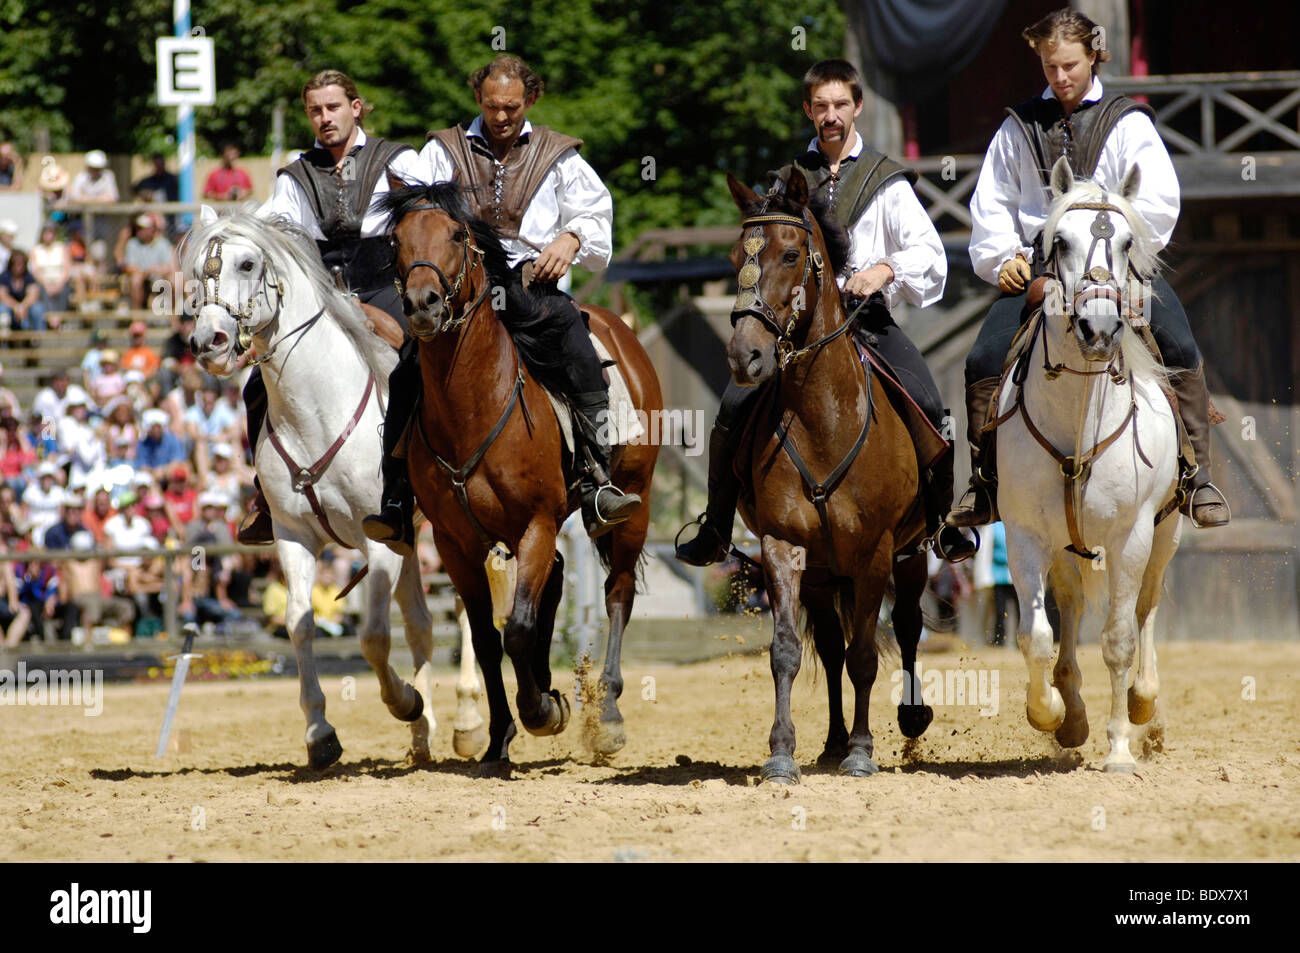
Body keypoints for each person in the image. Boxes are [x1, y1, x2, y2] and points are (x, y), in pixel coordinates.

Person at [676, 57, 973, 566]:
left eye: (840, 104)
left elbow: (930, 254)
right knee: (731, 406)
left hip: (868, 321)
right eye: (820, 106)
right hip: (793, 329)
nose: (830, 114)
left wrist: (883, 270)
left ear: (857, 106)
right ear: (809, 111)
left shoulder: (887, 180)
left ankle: (940, 526)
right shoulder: (784, 181)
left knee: (925, 397)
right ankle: (717, 527)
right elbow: (764, 252)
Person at [948, 7, 1229, 533]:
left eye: (1070, 65)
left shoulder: (1128, 121)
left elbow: (1159, 201)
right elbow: (992, 203)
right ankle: (984, 482)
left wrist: (1124, 262)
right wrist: (1004, 258)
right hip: (1041, 272)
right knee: (983, 356)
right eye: (1050, 67)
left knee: (1180, 343)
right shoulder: (1018, 127)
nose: (1060, 77)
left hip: (1120, 269)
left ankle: (1197, 476)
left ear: (1093, 56)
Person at [364, 53, 637, 553]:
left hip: (535, 290)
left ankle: (598, 480)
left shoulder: (560, 156)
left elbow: (598, 218)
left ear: (530, 100)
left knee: (579, 350)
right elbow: (404, 213)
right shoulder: (440, 151)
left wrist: (571, 239)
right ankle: (397, 498)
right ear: (478, 100)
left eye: (512, 106)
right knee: (406, 371)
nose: (502, 116)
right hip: (461, 295)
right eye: (493, 106)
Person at [236, 69, 432, 545]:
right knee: (257, 385)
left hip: (385, 285)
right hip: (322, 295)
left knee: (416, 364)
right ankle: (267, 496)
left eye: (333, 107)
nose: (324, 118)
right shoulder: (297, 173)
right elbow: (268, 230)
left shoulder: (399, 160)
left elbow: (427, 224)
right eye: (315, 111)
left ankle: (410, 489)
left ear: (356, 107)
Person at [121, 214, 176, 309]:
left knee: (174, 280)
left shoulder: (162, 243)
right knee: (135, 280)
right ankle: (137, 317)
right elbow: (129, 267)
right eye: (139, 228)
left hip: (159, 277)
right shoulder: (133, 243)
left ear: (152, 230)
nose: (140, 231)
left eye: (143, 228)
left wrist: (156, 270)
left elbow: (168, 267)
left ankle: (173, 318)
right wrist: (146, 271)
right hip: (142, 277)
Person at [0, 250, 47, 331]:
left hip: (26, 307)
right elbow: (2, 295)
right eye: (17, 264)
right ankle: (4, 338)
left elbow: (33, 295)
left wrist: (23, 307)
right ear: (11, 264)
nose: (19, 267)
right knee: (2, 309)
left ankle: (38, 337)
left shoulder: (29, 277)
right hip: (10, 307)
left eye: (22, 264)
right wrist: (16, 307)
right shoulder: (4, 276)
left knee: (38, 308)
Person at [30, 224, 73, 313]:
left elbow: (67, 269)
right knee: (42, 291)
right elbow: (35, 271)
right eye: (46, 233)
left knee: (64, 291)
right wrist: (46, 285)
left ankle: (59, 317)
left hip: (60, 281)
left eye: (51, 233)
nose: (49, 236)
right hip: (43, 282)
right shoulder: (35, 249)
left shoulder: (61, 248)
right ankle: (51, 318)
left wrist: (59, 284)